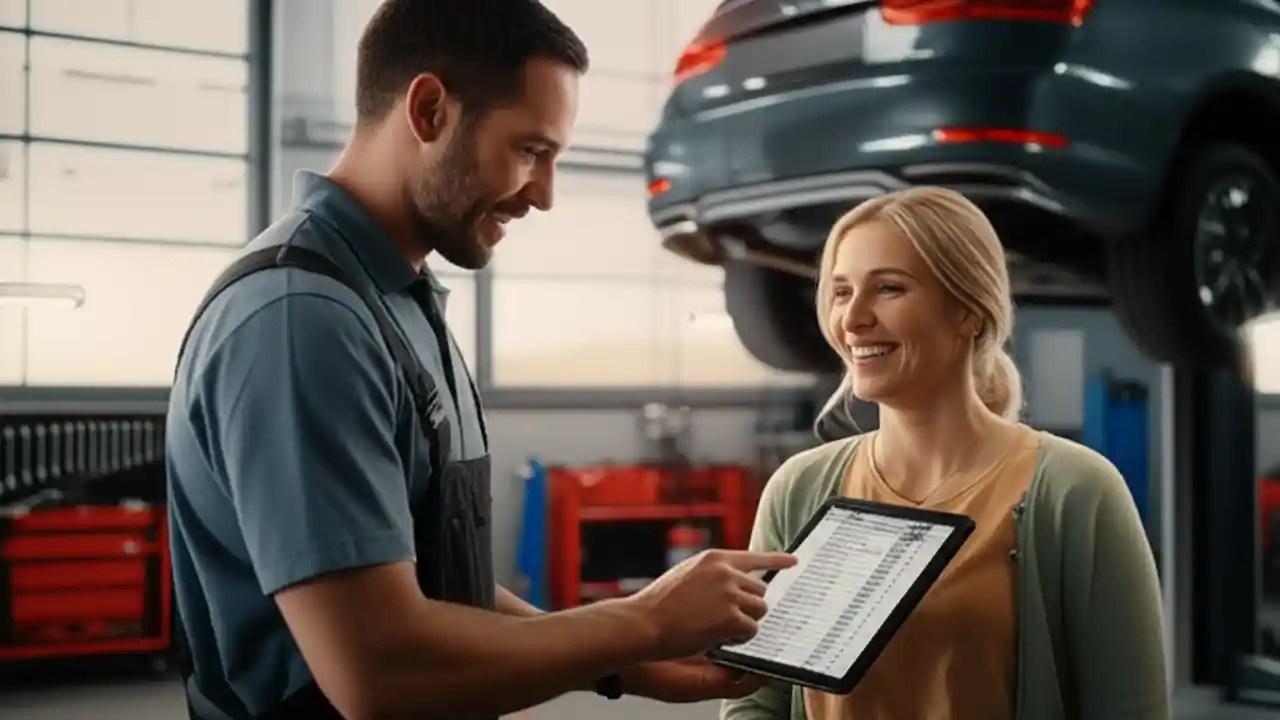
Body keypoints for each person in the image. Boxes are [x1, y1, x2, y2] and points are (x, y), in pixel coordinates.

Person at [164, 1, 796, 718]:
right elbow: (378, 671)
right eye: (531, 151)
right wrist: (643, 621)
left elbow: (439, 581)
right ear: (430, 110)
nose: (545, 195)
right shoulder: (302, 322)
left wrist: (626, 660)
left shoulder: (397, 297)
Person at [721, 187, 1169, 720]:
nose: (854, 318)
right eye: (841, 292)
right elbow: (754, 699)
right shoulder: (800, 488)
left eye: (888, 288)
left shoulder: (1073, 491)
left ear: (968, 312)